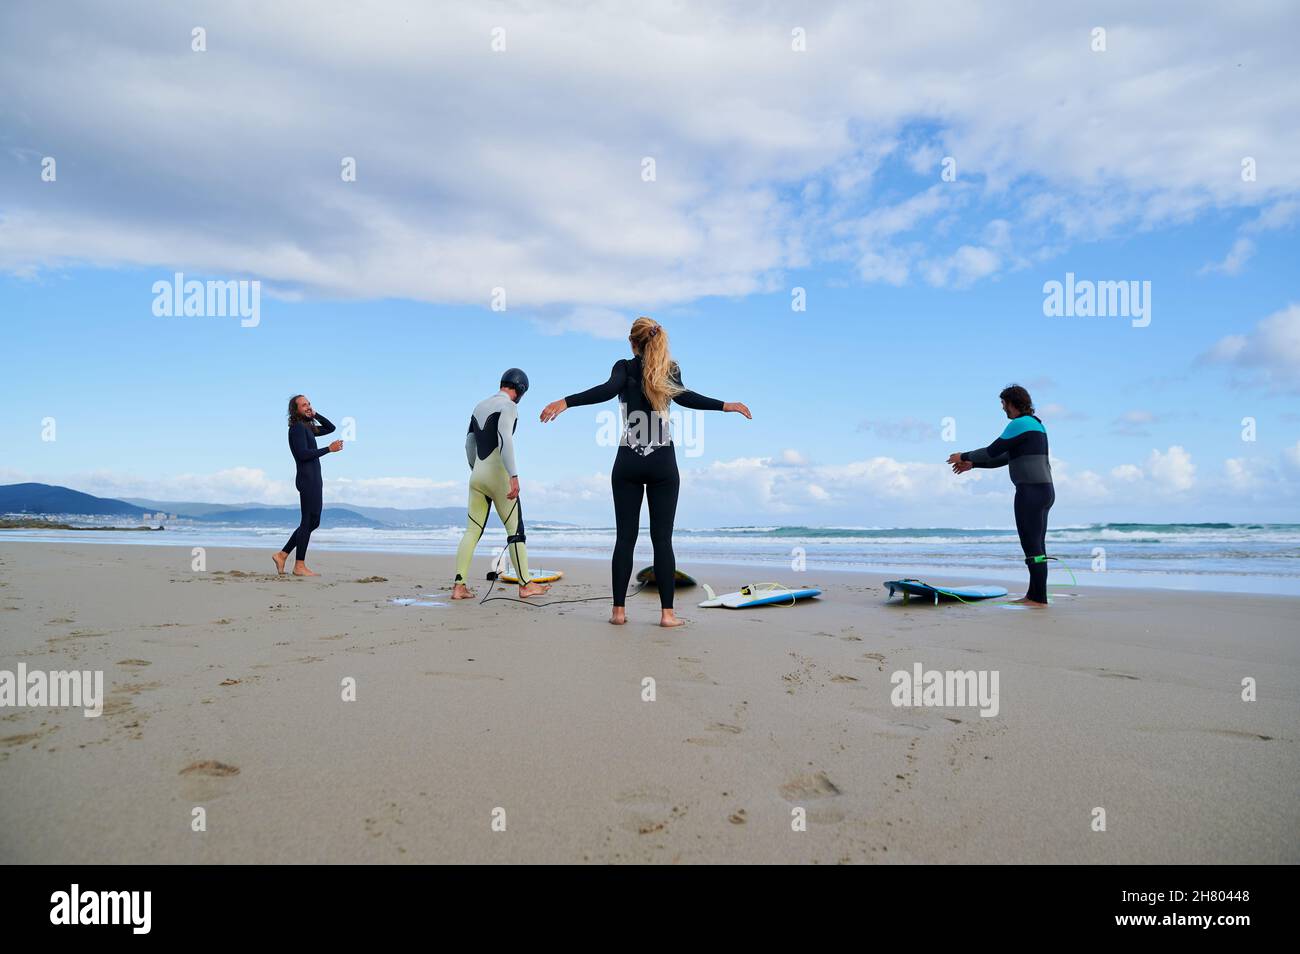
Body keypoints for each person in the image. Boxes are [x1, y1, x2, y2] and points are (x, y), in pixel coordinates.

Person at [540, 317, 751, 627]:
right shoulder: (670, 370)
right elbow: (686, 397)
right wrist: (725, 405)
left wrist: (566, 402)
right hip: (662, 461)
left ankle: (618, 613)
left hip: (628, 460)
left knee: (624, 539)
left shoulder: (623, 367)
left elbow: (607, 390)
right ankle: (667, 615)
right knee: (662, 540)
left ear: (632, 343)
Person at [947, 384, 1055, 606]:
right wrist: (973, 465)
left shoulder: (1020, 423)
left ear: (1012, 403)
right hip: (1044, 491)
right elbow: (1004, 458)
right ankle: (1035, 595)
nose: (1003, 409)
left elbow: (992, 450)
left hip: (1030, 491)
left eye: (1003, 404)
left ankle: (1037, 597)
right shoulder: (1035, 425)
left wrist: (962, 455)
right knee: (1037, 546)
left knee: (1032, 545)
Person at [451, 369, 550, 601]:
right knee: (516, 532)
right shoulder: (509, 407)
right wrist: (513, 475)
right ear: (521, 390)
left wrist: (476, 470)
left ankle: (459, 586)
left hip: (477, 476)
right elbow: (505, 439)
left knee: (472, 531)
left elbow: (468, 444)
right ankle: (525, 585)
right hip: (498, 476)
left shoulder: (479, 406)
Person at [273, 395, 343, 577]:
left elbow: (331, 427)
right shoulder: (296, 429)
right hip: (306, 479)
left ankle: (282, 555)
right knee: (307, 521)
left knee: (314, 521)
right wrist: (329, 449)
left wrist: (316, 414)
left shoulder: (308, 428)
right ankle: (299, 565)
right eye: (304, 405)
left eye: (309, 404)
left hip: (314, 479)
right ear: (295, 410)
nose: (308, 407)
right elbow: (303, 454)